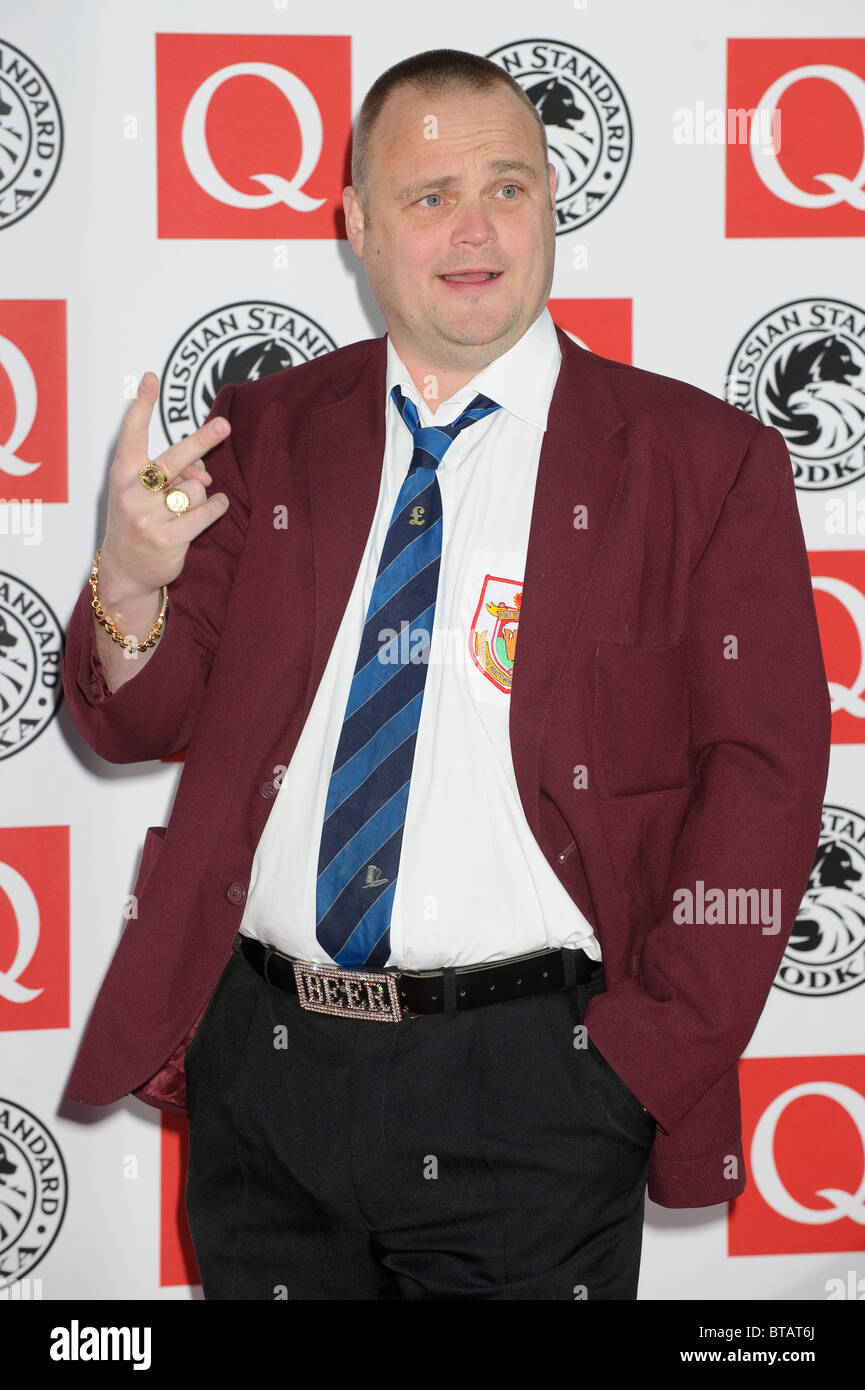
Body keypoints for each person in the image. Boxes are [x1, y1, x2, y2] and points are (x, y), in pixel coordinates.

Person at [61, 48, 831, 1301]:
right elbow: (141, 718)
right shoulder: (263, 433)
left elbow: (763, 780)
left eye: (509, 188)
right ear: (358, 225)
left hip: (537, 1090)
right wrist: (133, 579)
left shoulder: (703, 463)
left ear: (550, 208)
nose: (474, 230)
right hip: (263, 1073)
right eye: (427, 197)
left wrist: (633, 1061)